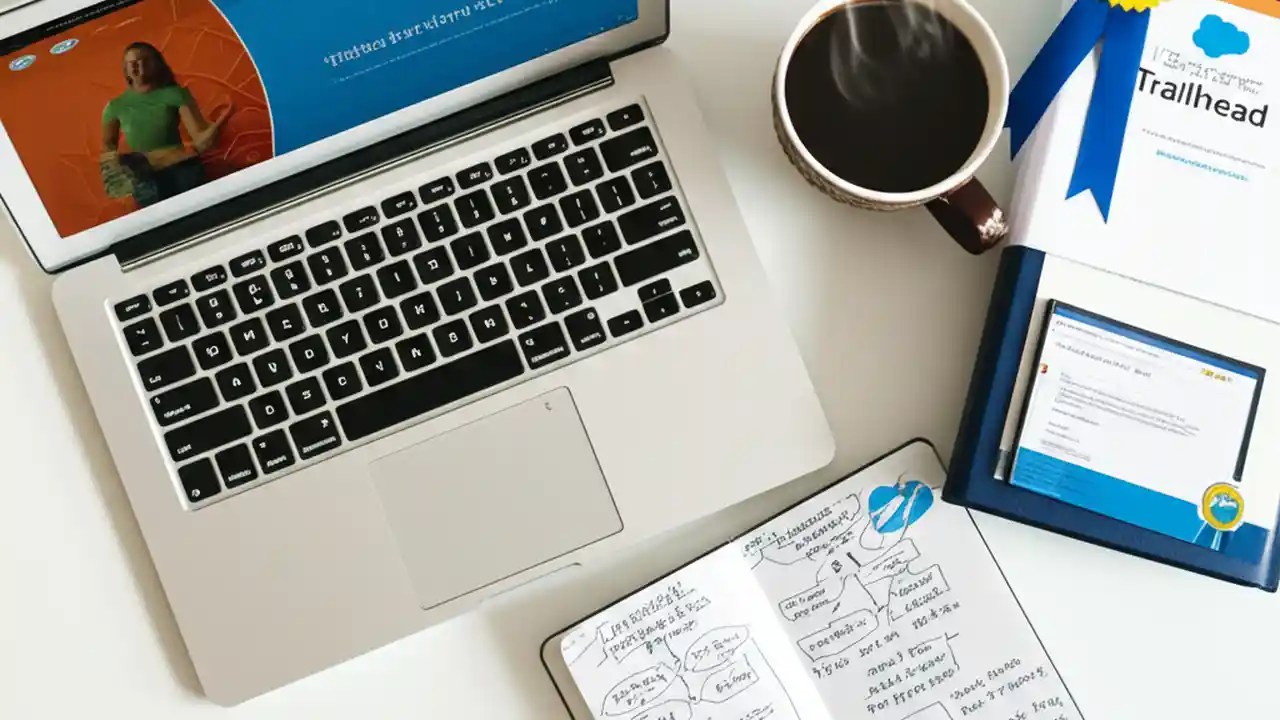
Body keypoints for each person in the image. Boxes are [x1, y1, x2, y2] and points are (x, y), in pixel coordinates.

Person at [100, 42, 233, 207]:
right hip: (145, 181)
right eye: (132, 63)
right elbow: (108, 151)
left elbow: (201, 141)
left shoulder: (176, 94)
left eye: (144, 61)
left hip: (183, 172)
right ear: (125, 69)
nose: (138, 67)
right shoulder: (115, 106)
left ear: (156, 64)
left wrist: (223, 118)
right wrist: (121, 171)